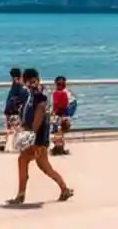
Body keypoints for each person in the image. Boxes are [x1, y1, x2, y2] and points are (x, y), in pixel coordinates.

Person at [7, 68, 73, 205]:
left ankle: (21, 194)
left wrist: (31, 134)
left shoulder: (39, 96)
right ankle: (64, 189)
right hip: (40, 137)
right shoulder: (34, 94)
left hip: (38, 138)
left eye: (33, 81)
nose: (31, 84)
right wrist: (22, 125)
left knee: (22, 160)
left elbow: (40, 112)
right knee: (45, 167)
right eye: (29, 82)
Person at [0, 67, 28, 152]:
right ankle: (11, 145)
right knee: (15, 128)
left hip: (11, 109)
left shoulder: (16, 85)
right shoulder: (20, 85)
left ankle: (10, 145)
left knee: (11, 128)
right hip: (14, 109)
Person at [50, 76, 75, 156]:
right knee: (59, 133)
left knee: (59, 133)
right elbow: (65, 105)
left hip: (60, 115)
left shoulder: (59, 93)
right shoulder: (63, 93)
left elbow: (57, 105)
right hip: (60, 115)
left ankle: (58, 149)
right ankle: (58, 149)